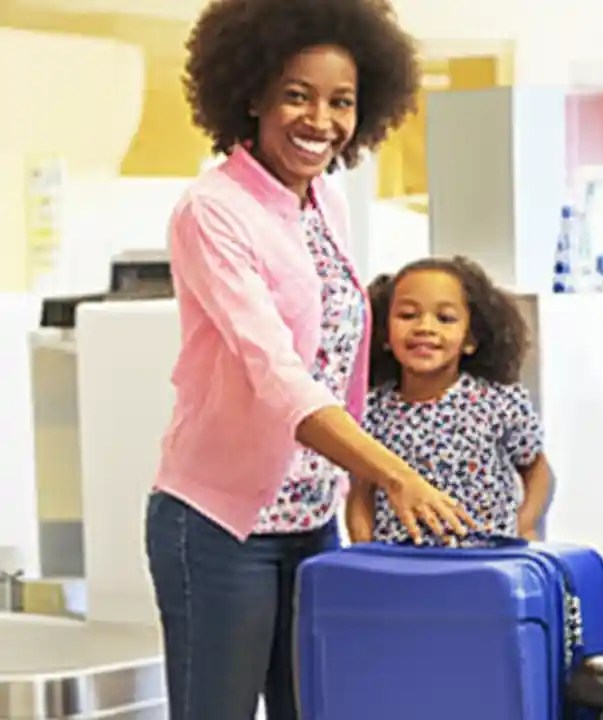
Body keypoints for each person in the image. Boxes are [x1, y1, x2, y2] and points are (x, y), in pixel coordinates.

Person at [145, 1, 476, 718]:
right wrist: (392, 474)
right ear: (254, 90)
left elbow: (338, 349)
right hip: (219, 526)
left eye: (342, 102)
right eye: (298, 94)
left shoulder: (327, 199)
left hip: (309, 520)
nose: (320, 121)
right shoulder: (213, 211)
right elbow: (277, 374)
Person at [346, 257, 553, 547]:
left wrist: (524, 525)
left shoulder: (498, 402)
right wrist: (364, 551)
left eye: (445, 318)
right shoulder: (372, 411)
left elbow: (537, 469)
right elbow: (361, 493)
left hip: (485, 563)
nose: (424, 327)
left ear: (470, 338)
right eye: (407, 315)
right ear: (383, 333)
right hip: (399, 567)